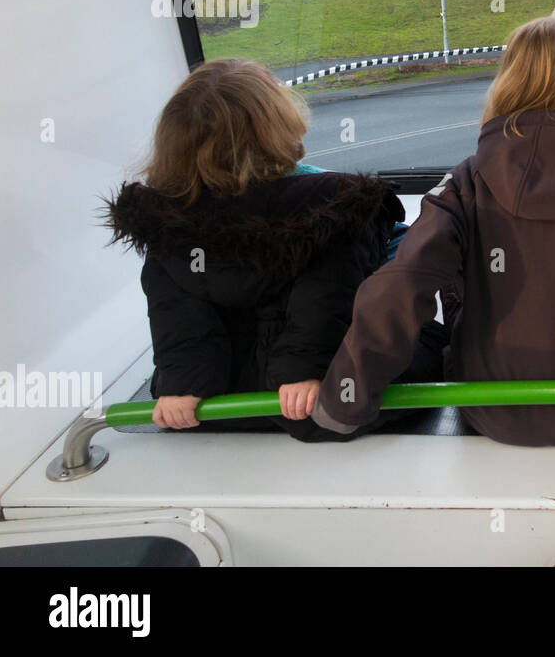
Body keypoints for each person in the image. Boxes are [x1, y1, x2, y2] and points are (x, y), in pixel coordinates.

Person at [310, 16, 555, 526]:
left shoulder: (466, 181)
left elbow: (406, 278)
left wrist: (343, 399)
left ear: (508, 79)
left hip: (489, 407)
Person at [104, 59, 435, 440]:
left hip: (222, 405)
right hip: (315, 400)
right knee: (428, 341)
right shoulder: (335, 202)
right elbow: (328, 292)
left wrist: (182, 385)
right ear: (278, 123)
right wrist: (304, 373)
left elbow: (173, 309)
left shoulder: (164, 220)